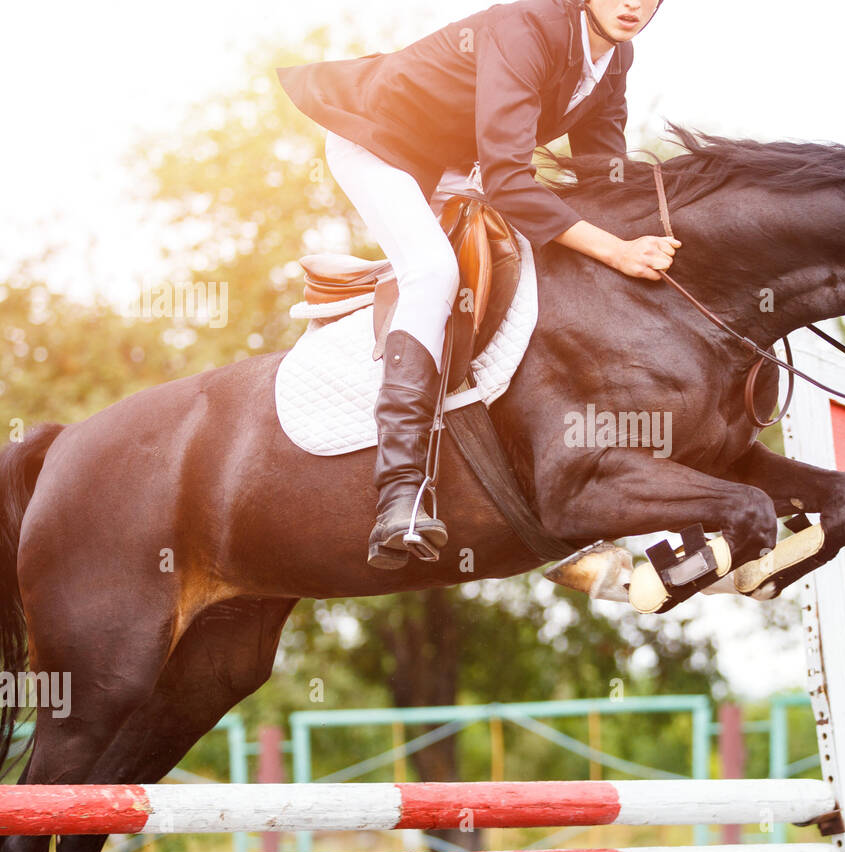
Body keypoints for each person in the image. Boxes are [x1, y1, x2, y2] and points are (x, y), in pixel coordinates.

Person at [278, 0, 680, 571]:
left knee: (543, 260)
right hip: (380, 140)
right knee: (433, 271)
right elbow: (510, 180)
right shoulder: (528, 29)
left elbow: (603, 178)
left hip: (452, 162)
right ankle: (400, 493)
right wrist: (616, 248)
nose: (635, 3)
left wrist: (656, 238)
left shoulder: (616, 58)